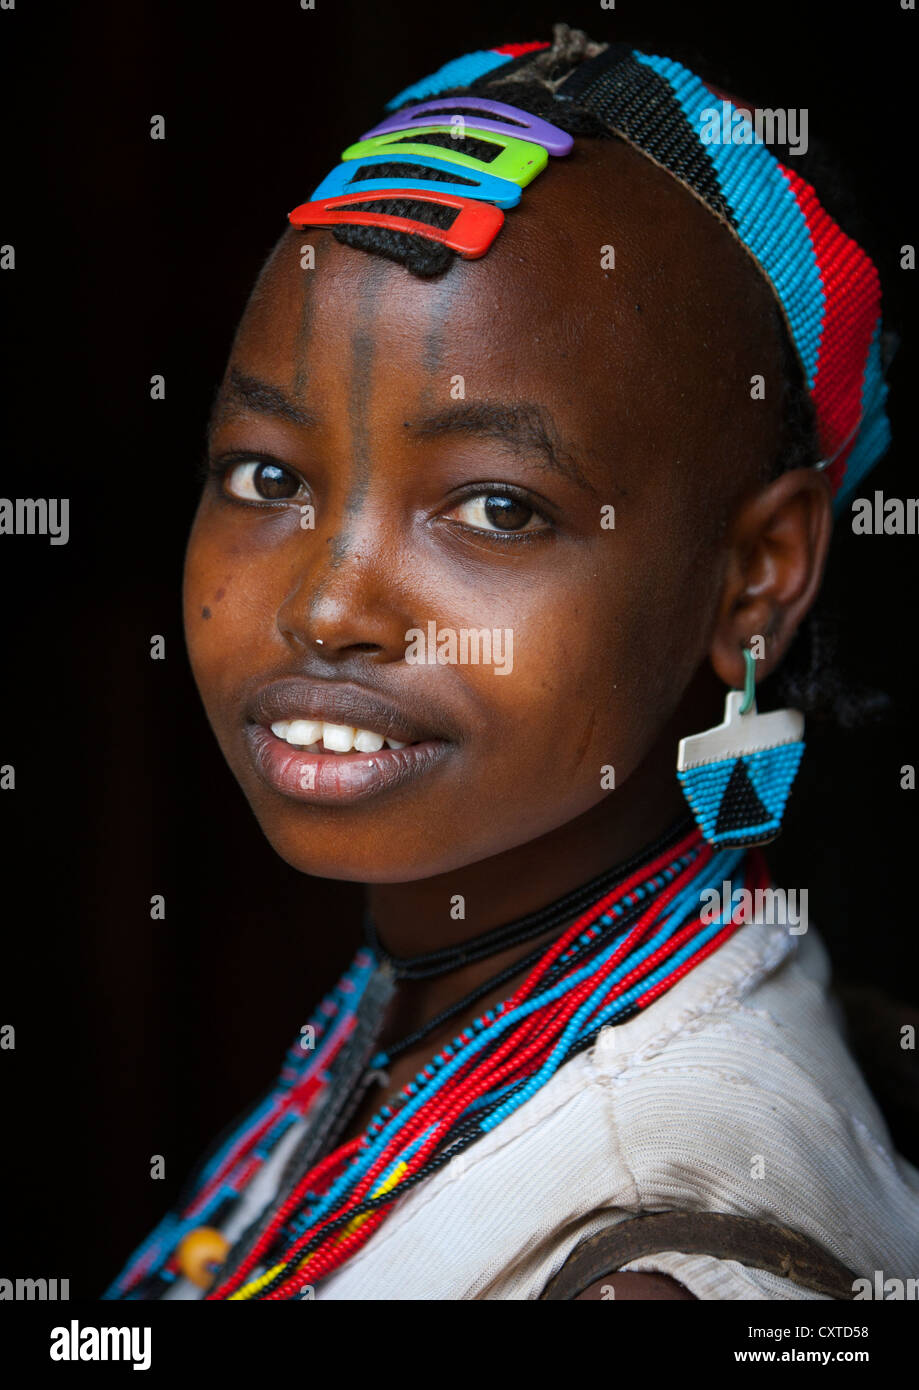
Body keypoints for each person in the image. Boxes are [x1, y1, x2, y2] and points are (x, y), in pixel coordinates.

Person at [104, 24, 919, 1301]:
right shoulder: (426, 1002)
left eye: (495, 508)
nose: (326, 606)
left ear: (755, 574)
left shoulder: (651, 1264)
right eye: (269, 476)